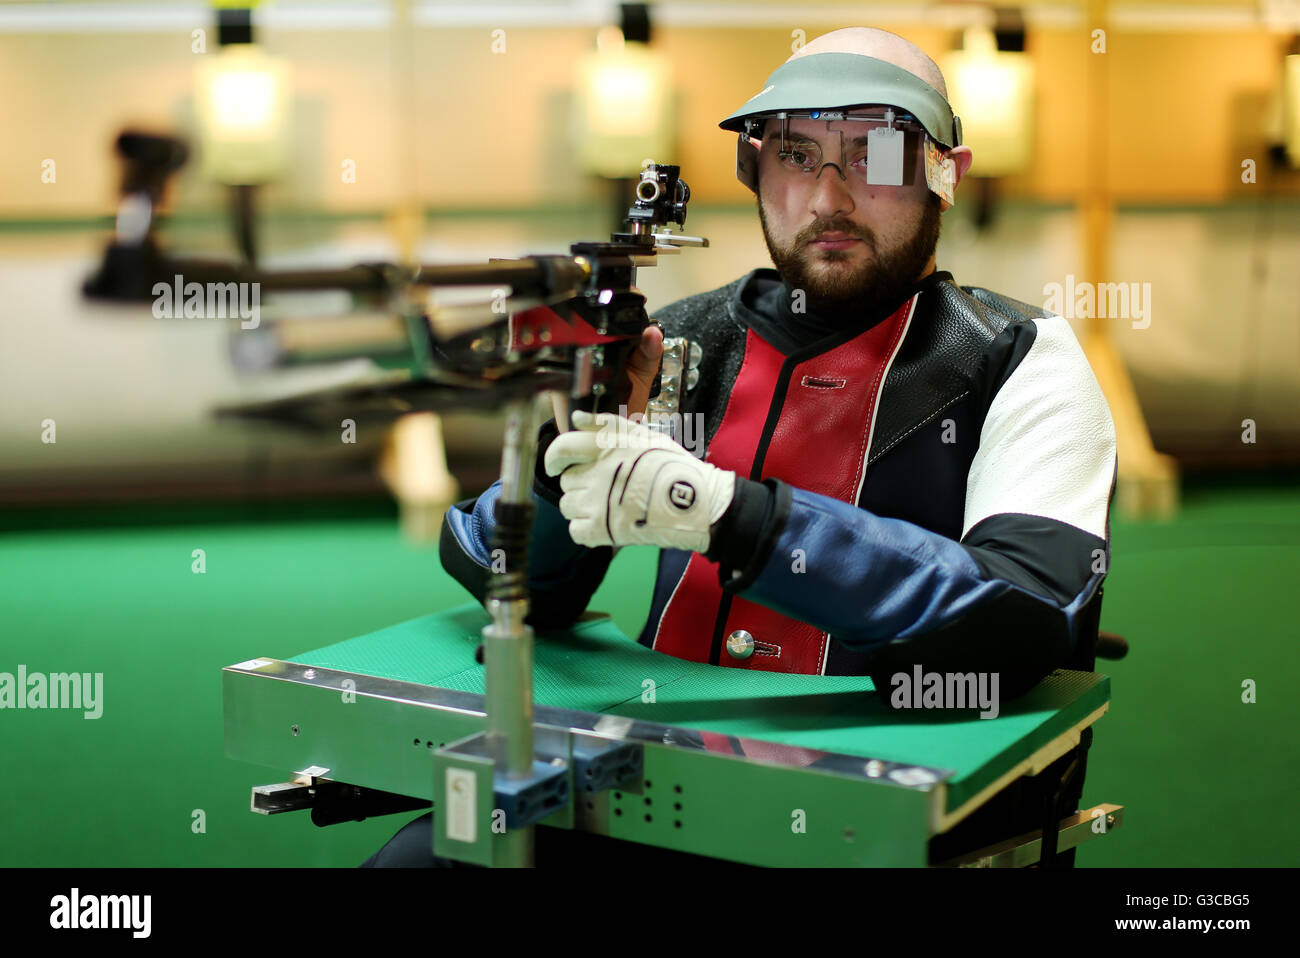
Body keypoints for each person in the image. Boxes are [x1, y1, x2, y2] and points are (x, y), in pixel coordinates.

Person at [364, 26, 1117, 868]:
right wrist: (558, 466)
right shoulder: (680, 344)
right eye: (795, 154)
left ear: (948, 173)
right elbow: (501, 573)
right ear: (754, 169)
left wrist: (728, 515)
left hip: (885, 822)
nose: (828, 197)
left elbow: (1033, 611)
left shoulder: (1019, 357)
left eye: (876, 152)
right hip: (649, 793)